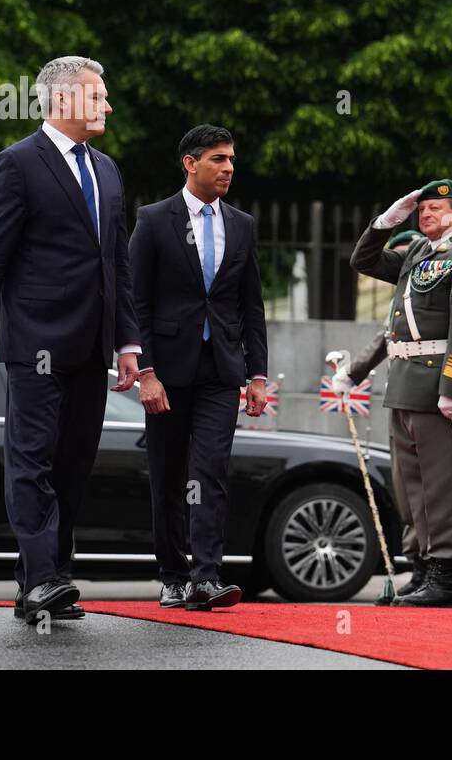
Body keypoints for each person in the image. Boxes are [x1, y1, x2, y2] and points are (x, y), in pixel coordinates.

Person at [0, 55, 140, 624]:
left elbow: (118, 263)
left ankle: (47, 579)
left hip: (92, 347)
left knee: (72, 464)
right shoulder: (17, 164)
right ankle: (41, 580)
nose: (108, 105)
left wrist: (128, 343)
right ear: (62, 101)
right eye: (98, 96)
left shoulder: (107, 170)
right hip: (33, 342)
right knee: (31, 461)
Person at [128, 125, 269, 611]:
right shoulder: (152, 219)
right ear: (190, 163)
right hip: (165, 373)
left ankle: (205, 577)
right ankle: (171, 573)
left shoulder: (243, 224)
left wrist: (257, 375)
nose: (228, 167)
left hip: (220, 371)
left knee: (211, 471)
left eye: (231, 159)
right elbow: (136, 302)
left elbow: (252, 306)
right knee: (168, 475)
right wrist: (145, 371)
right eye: (217, 159)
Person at [350, 179, 452, 607]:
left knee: (440, 486)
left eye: (435, 208)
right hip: (405, 383)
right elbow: (363, 260)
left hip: (438, 387)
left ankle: (445, 577)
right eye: (421, 209)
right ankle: (424, 568)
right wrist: (387, 220)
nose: (425, 214)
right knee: (411, 486)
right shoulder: (416, 253)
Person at [334, 229, 425, 600]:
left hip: (430, 396)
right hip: (402, 395)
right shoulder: (400, 306)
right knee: (406, 489)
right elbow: (385, 338)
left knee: (426, 488)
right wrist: (351, 374)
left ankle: (432, 570)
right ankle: (418, 566)